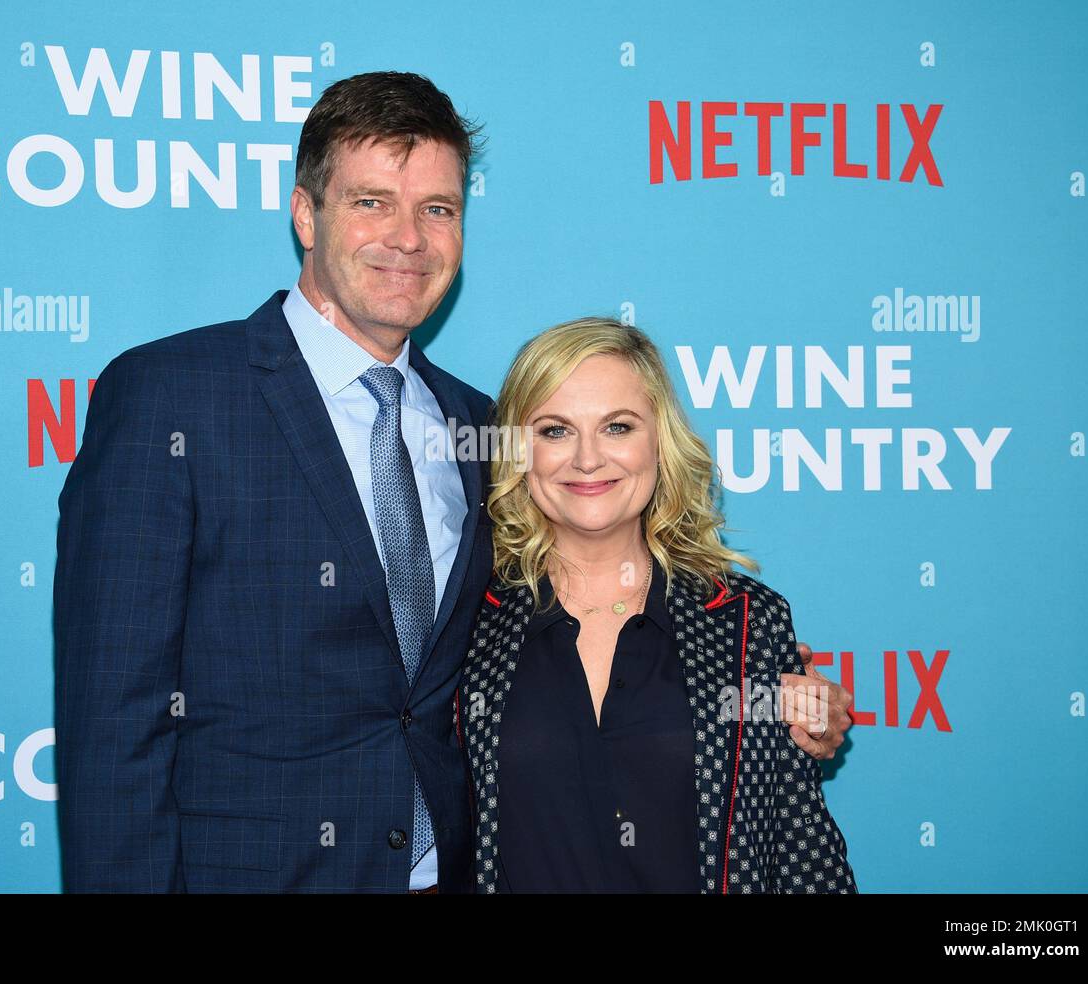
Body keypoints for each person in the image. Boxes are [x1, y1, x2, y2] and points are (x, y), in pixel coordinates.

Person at [53, 70, 852, 894]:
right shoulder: (171, 395)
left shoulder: (480, 430)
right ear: (305, 212)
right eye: (371, 202)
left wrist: (788, 713)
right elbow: (113, 722)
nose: (408, 238)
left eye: (437, 209)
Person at [459, 317, 857, 893]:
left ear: (659, 442)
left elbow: (799, 848)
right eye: (554, 431)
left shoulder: (748, 621)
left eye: (618, 426)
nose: (588, 459)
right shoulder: (463, 619)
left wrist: (815, 715)